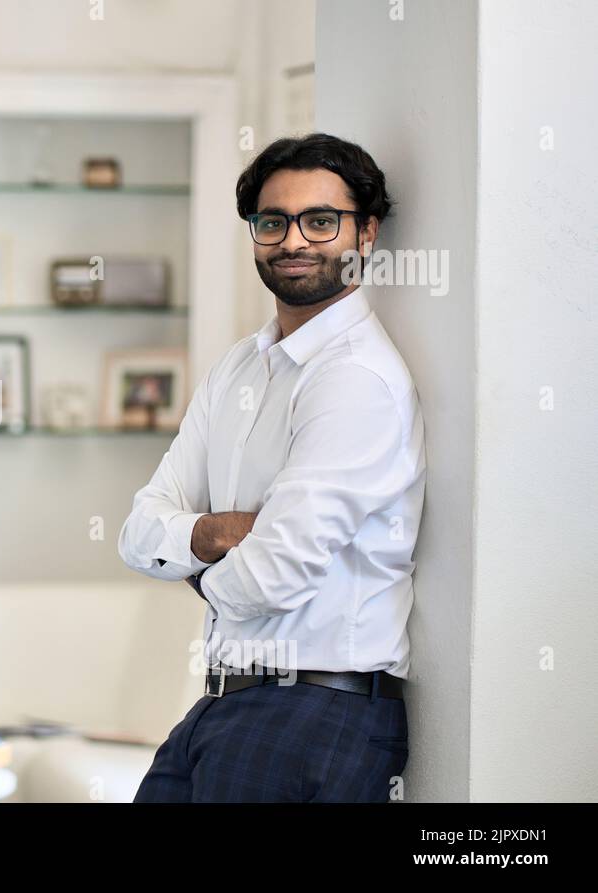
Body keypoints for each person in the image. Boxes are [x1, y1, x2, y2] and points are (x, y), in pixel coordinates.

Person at [119, 133, 426, 802]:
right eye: (272, 221)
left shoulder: (356, 378)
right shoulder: (237, 367)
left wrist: (192, 562)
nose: (294, 240)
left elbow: (274, 574)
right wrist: (210, 534)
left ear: (366, 232)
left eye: (321, 221)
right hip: (224, 702)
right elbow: (139, 529)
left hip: (316, 713)